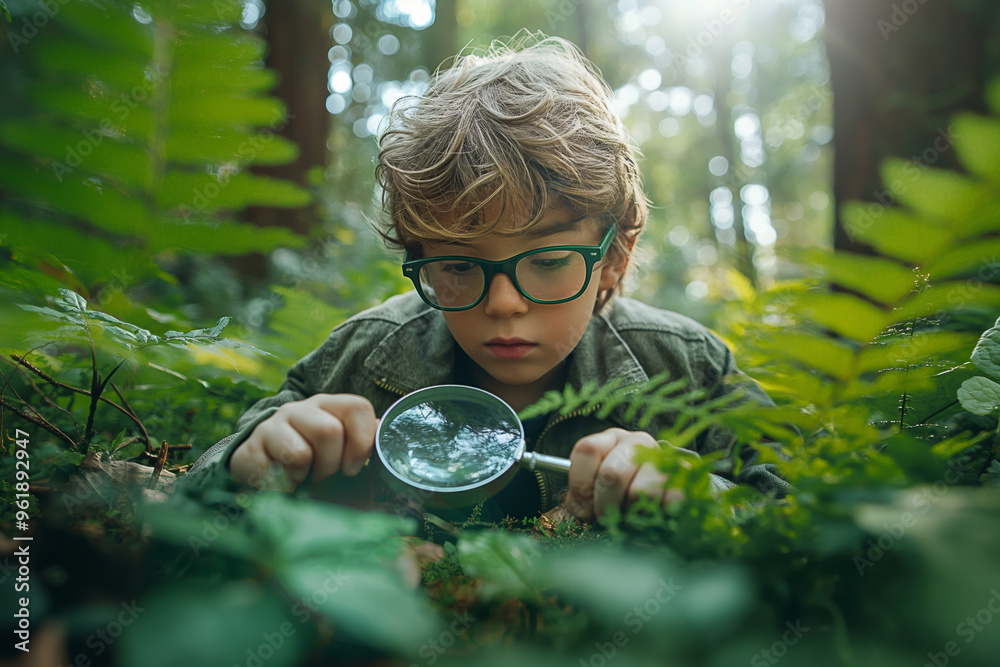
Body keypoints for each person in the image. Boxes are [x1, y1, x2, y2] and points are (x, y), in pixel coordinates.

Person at [184, 32, 787, 524]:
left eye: (548, 262)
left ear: (614, 257)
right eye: (455, 266)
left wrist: (702, 496)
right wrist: (250, 460)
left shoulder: (688, 367)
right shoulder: (366, 354)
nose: (502, 304)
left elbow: (804, 513)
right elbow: (201, 488)